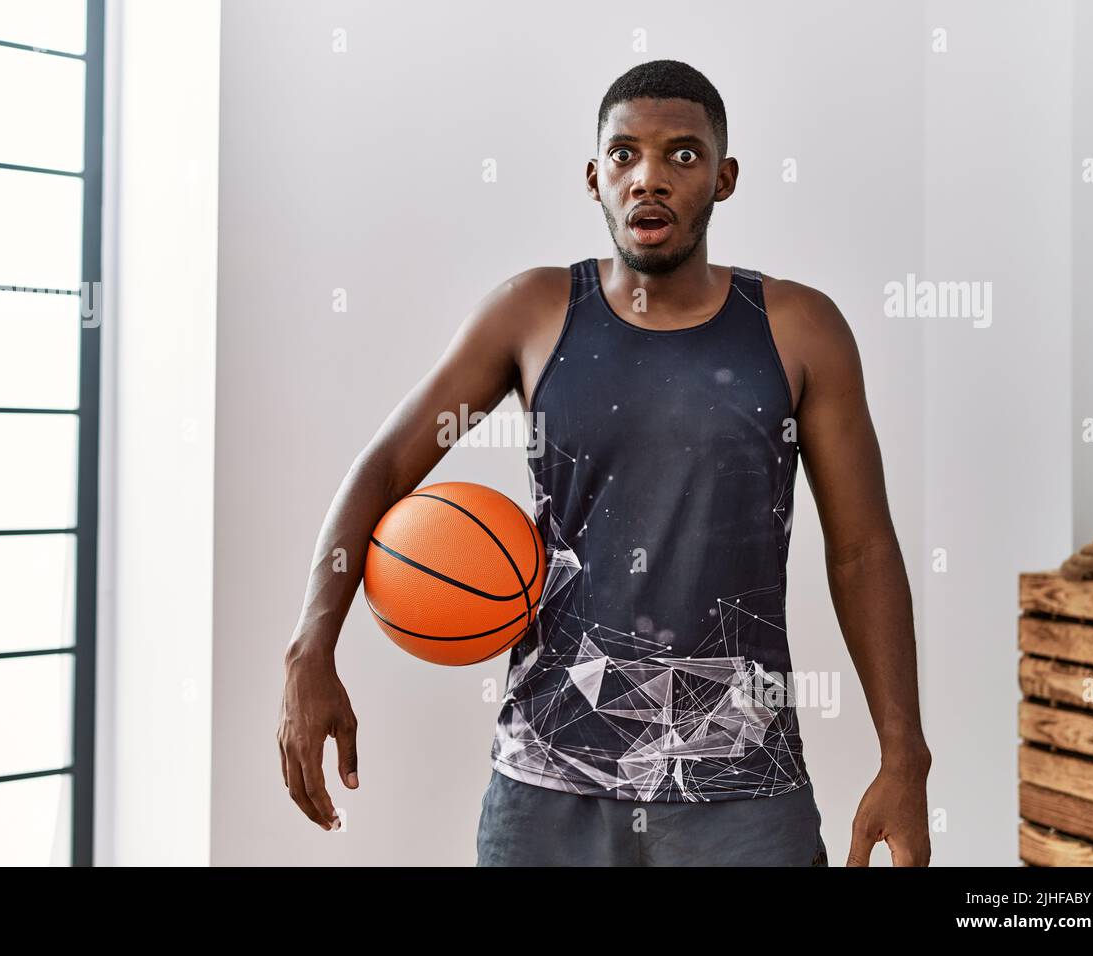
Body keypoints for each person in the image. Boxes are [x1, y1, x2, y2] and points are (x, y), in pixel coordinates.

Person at [278, 59, 931, 866]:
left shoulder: (800, 328)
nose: (649, 177)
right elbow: (382, 468)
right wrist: (312, 648)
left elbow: (863, 550)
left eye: (682, 156)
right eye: (624, 155)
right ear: (594, 177)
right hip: (548, 783)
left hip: (742, 787)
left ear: (724, 178)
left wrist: (906, 757)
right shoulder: (535, 311)